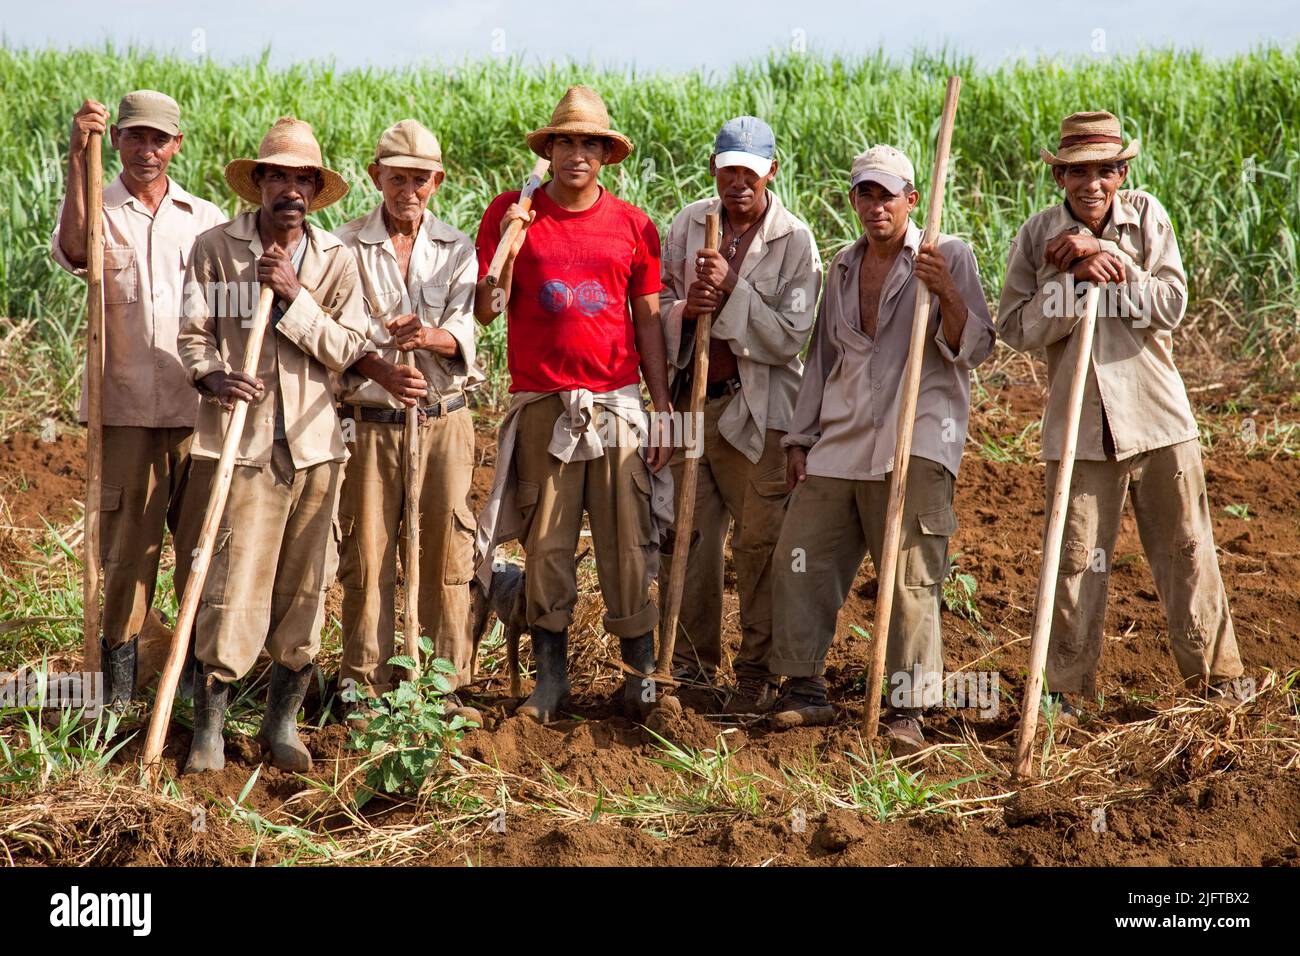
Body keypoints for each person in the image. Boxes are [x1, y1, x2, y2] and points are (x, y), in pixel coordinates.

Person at [997, 110, 1247, 723]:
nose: (1092, 184)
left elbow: (1170, 303)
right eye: (1078, 172)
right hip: (1079, 427)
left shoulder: (1148, 217)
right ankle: (1065, 694)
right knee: (1075, 562)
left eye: (1105, 171)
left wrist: (1108, 257)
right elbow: (1014, 327)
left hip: (1158, 417)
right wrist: (1075, 282)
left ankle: (1220, 684)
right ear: (1059, 176)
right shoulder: (1037, 238)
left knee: (1186, 551)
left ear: (1123, 171)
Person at [178, 117, 392, 773]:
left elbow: (350, 350)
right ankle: (209, 731)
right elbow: (192, 333)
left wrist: (294, 299)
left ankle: (282, 724)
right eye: (280, 177)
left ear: (315, 191)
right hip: (240, 447)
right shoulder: (216, 248)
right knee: (232, 584)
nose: (291, 190)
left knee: (306, 588)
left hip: (315, 446)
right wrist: (213, 373)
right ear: (261, 183)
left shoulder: (336, 261)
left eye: (304, 179)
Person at [766, 145, 995, 753]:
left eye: (887, 195)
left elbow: (975, 346)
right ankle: (804, 687)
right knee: (800, 553)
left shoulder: (947, 256)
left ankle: (906, 708)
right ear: (854, 201)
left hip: (915, 436)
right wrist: (800, 438)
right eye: (865, 194)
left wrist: (946, 291)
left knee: (910, 574)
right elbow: (820, 360)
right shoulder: (842, 267)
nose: (876, 206)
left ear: (911, 200)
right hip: (840, 439)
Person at [472, 85, 674, 723]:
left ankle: (640, 680)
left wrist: (663, 410)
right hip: (543, 407)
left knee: (628, 541)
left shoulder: (635, 226)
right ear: (549, 150)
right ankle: (551, 681)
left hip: (616, 407)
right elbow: (485, 310)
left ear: (606, 155)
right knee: (547, 543)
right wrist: (506, 247)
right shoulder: (513, 212)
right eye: (566, 141)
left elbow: (647, 326)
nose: (577, 154)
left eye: (591, 143)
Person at [51, 90, 227, 709]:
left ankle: (198, 694)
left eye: (159, 139)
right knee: (125, 560)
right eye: (134, 137)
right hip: (122, 413)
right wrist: (78, 160)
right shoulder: (95, 206)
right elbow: (75, 251)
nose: (146, 151)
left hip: (200, 413)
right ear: (118, 141)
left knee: (203, 554)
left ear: (177, 144)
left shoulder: (205, 219)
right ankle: (120, 700)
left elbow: (228, 310)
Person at [657, 116, 822, 713]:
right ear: (715, 170)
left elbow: (788, 339)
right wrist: (683, 311)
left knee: (760, 545)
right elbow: (656, 307)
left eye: (749, 173)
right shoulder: (688, 224)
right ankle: (689, 670)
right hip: (692, 406)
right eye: (728, 171)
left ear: (771, 173)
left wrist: (730, 291)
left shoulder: (794, 240)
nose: (738, 183)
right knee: (689, 539)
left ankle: (758, 672)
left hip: (762, 413)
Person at [334, 120, 482, 723]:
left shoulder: (459, 247)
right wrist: (381, 361)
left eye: (420, 179)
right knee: (367, 555)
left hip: (444, 421)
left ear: (437, 181)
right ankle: (364, 689)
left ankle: (438, 687)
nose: (409, 190)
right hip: (368, 423)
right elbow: (334, 335)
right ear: (377, 178)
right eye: (397, 178)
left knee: (448, 550)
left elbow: (467, 327)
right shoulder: (341, 246)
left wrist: (430, 337)